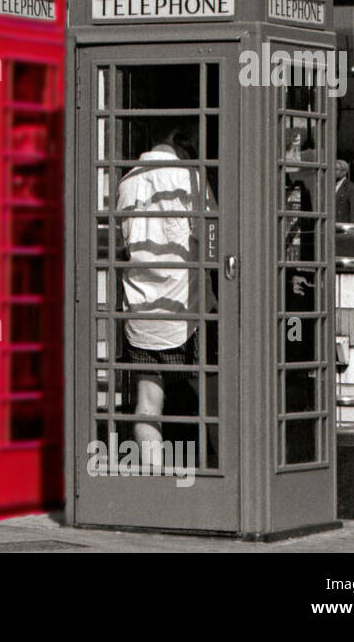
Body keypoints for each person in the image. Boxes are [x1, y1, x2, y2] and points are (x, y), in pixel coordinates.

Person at [116, 118, 214, 470]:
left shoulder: (127, 180)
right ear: (182, 139)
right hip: (187, 307)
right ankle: (219, 472)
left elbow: (119, 243)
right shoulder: (190, 177)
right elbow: (212, 242)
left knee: (147, 400)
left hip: (140, 308)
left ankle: (154, 482)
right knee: (210, 397)